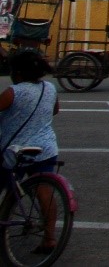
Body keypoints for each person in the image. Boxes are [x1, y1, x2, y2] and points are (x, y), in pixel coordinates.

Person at [0, 50, 60, 254]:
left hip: (15, 151)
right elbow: (55, 110)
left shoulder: (13, 92)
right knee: (44, 191)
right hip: (45, 149)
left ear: (17, 72)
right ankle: (50, 238)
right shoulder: (50, 88)